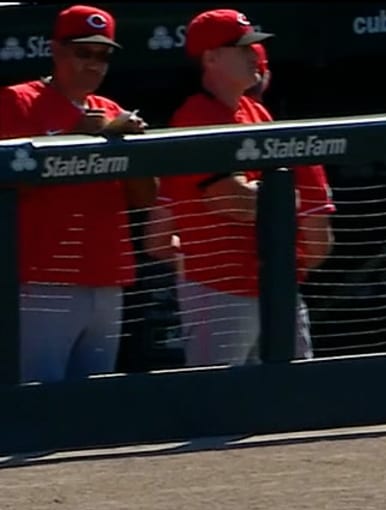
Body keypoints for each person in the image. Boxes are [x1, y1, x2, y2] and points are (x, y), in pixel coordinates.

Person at [155, 8, 335, 368]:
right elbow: (233, 201)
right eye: (242, 48)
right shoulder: (195, 117)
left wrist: (267, 196)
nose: (254, 54)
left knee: (294, 389)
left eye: (254, 46)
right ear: (211, 58)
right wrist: (283, 199)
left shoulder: (255, 112)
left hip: (272, 282)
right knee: (220, 397)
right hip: (219, 287)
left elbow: (253, 199)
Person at [0, 5, 154, 384]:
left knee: (95, 400)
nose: (94, 64)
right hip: (43, 279)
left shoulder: (111, 111)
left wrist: (136, 148)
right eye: (83, 52)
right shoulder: (16, 101)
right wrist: (74, 136)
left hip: (107, 275)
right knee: (39, 395)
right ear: (55, 50)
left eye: (103, 56)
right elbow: (12, 181)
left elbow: (145, 198)